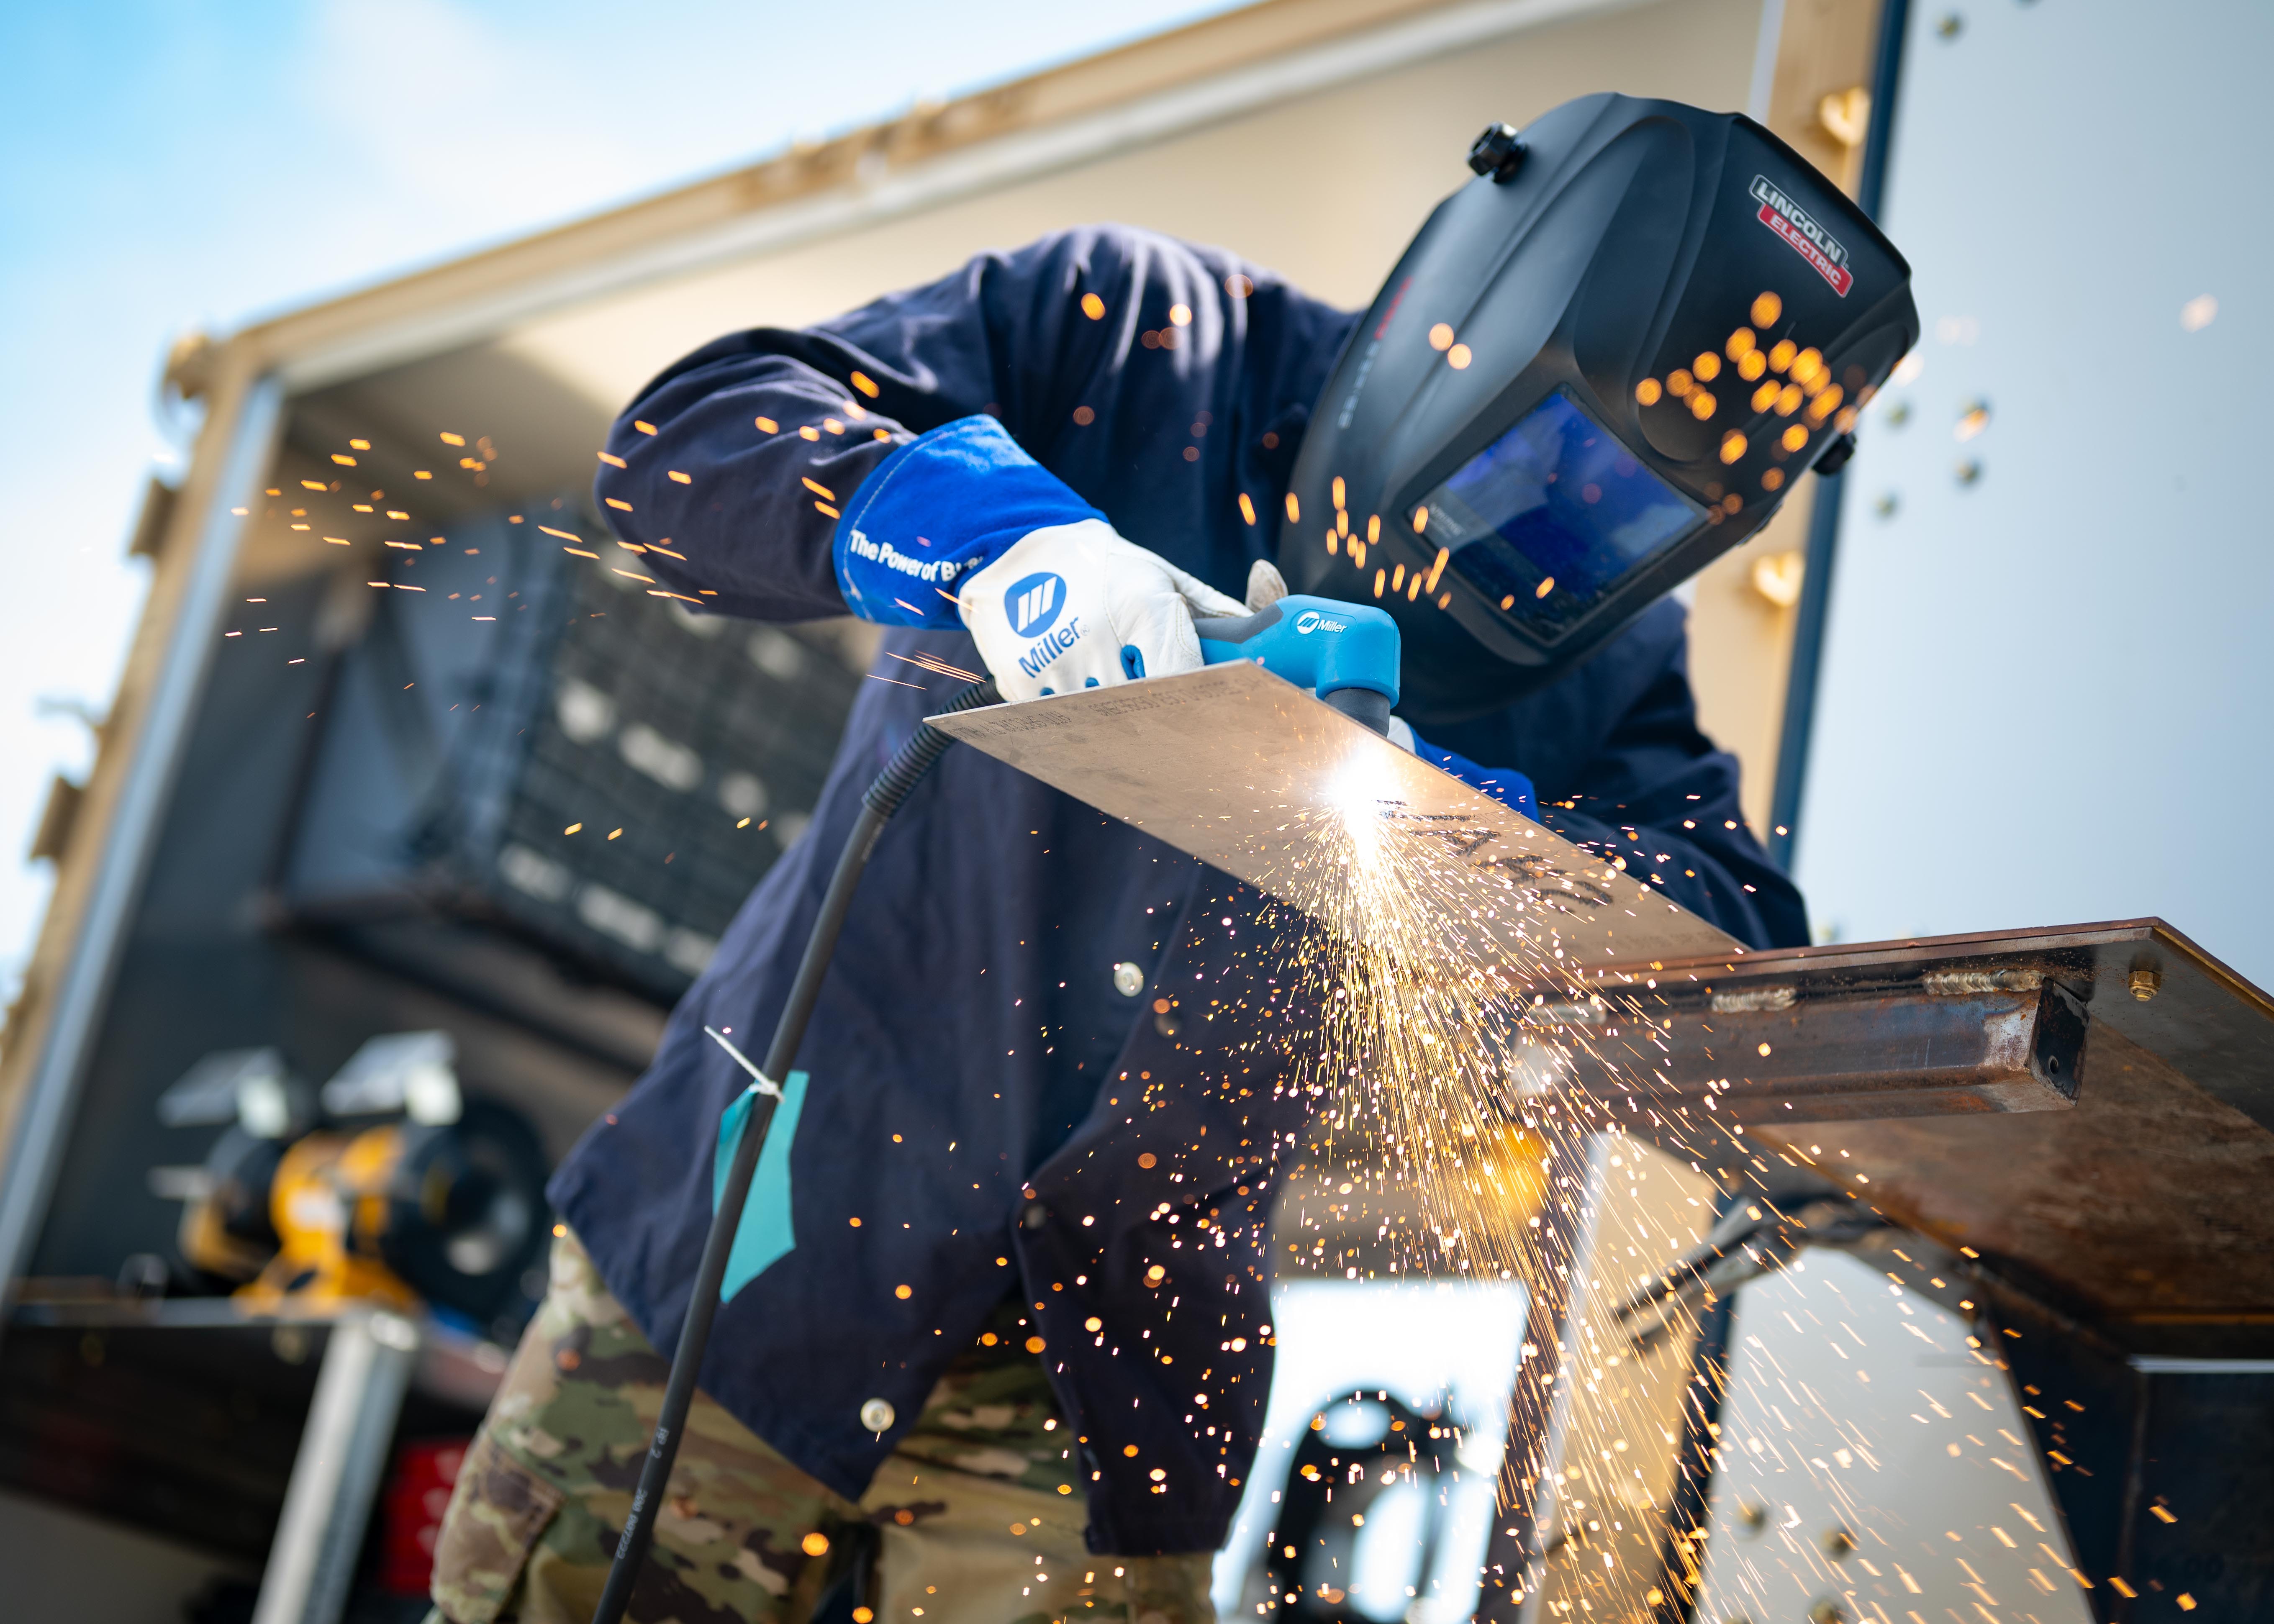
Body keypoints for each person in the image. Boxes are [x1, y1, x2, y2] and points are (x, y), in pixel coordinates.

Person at [430, 93, 1911, 1624]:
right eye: (1556, 456)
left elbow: (1733, 947)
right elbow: (688, 440)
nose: (1558, 525)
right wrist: (994, 540)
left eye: (1636, 512)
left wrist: (1450, 821)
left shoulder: (1606, 662)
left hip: (1111, 1390)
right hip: (747, 1260)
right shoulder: (1136, 333)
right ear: (1474, 309)